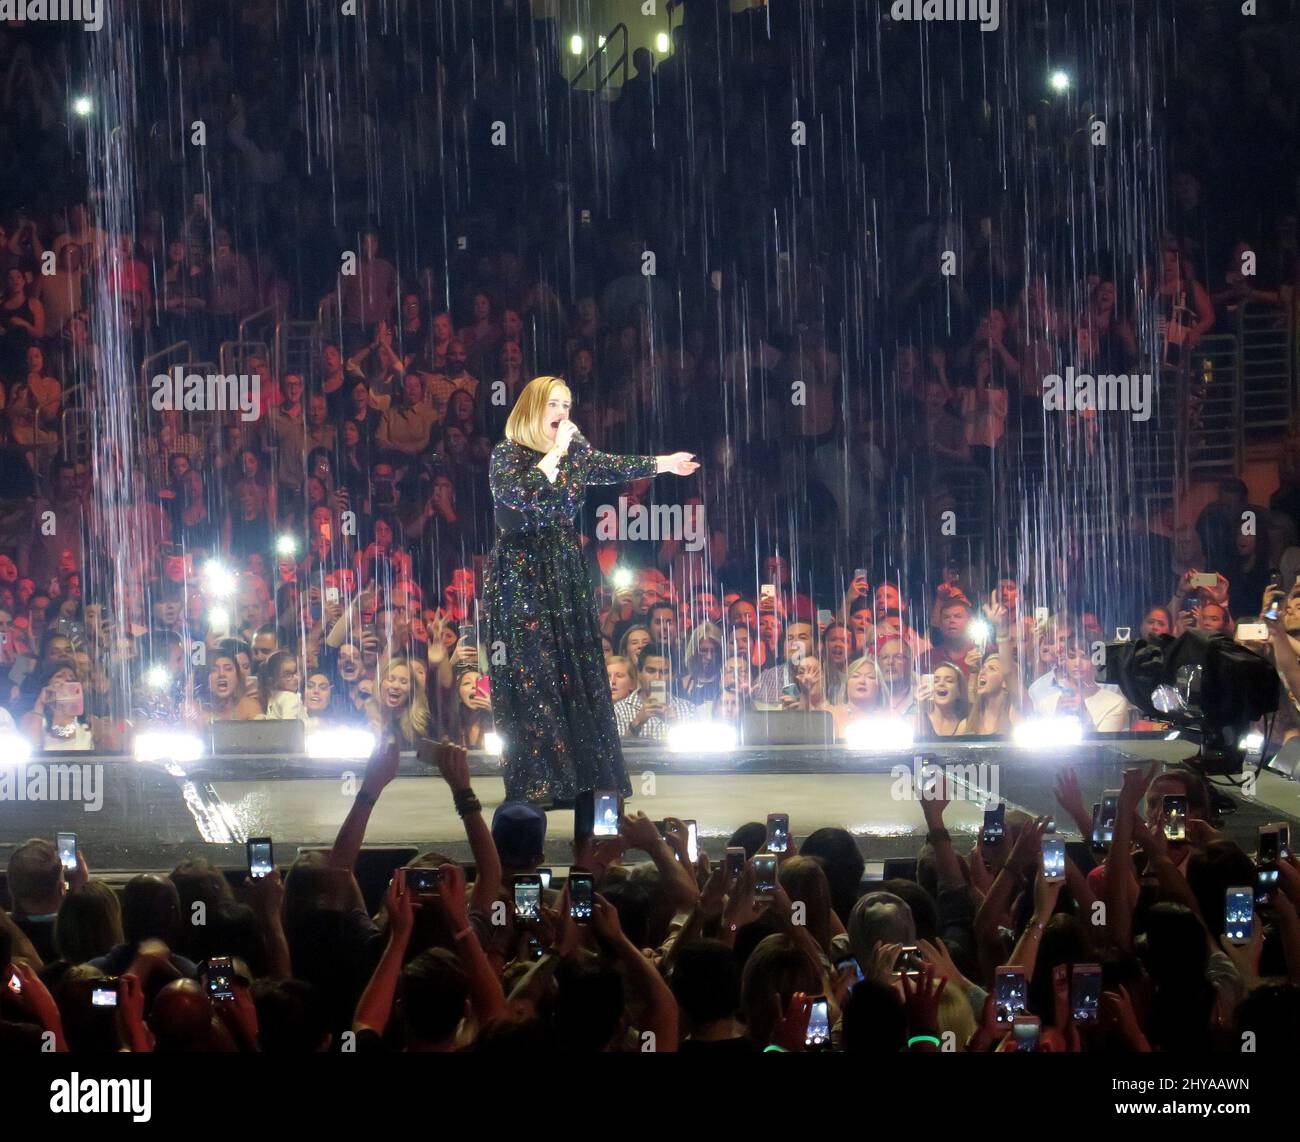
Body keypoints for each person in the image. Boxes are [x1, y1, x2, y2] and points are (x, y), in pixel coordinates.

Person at [483, 376, 697, 805]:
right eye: (553, 405)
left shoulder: (576, 454)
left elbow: (610, 466)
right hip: (522, 569)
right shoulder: (507, 455)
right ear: (531, 408)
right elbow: (526, 494)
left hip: (562, 565)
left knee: (573, 669)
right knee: (532, 671)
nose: (562, 413)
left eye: (566, 404)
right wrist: (559, 452)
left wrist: (663, 463)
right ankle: (539, 778)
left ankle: (582, 777)